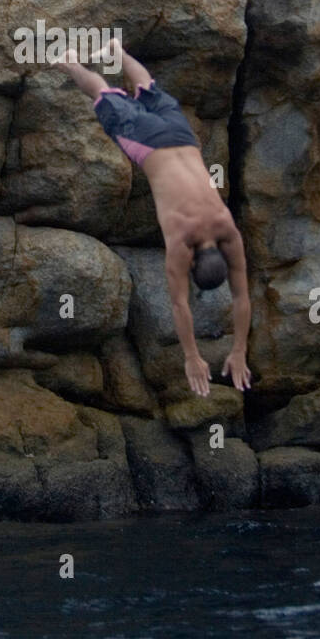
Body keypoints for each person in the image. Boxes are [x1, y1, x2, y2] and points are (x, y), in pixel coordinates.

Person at [55, 37, 251, 398]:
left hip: (182, 137)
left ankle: (118, 52)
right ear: (192, 263)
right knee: (103, 94)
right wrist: (192, 357)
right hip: (145, 143)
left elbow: (242, 295)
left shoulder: (228, 229)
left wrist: (240, 349)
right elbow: (180, 305)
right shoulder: (180, 241)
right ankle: (68, 63)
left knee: (148, 90)